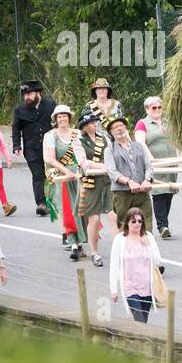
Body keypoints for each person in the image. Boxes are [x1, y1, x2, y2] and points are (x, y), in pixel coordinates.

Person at [43, 104, 87, 260]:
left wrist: (80, 171)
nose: (62, 119)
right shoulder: (50, 135)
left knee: (82, 209)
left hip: (79, 174)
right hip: (63, 175)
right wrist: (67, 172)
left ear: (69, 118)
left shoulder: (78, 133)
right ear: (56, 119)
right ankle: (74, 243)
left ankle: (80, 241)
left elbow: (84, 154)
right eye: (59, 116)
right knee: (68, 209)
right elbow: (51, 159)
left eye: (65, 116)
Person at [134, 95, 181, 239]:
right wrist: (150, 158)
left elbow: (177, 139)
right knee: (159, 192)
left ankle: (163, 223)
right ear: (147, 109)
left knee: (169, 191)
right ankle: (163, 226)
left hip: (171, 162)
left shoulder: (167, 122)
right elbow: (140, 143)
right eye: (154, 107)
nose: (157, 110)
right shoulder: (143, 124)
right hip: (155, 163)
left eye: (159, 107)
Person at [109, 207, 164, 324]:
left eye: (140, 221)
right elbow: (114, 265)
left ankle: (139, 341)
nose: (137, 224)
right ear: (127, 223)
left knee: (143, 321)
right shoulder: (120, 240)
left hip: (147, 287)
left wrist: (148, 245)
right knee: (139, 319)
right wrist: (113, 289)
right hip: (130, 287)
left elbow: (157, 261)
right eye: (133, 221)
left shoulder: (148, 237)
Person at [71, 109, 111, 267]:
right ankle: (95, 252)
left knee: (114, 215)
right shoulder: (78, 141)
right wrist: (102, 165)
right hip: (91, 180)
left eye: (96, 122)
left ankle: (119, 251)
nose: (95, 125)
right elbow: (83, 162)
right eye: (92, 123)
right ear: (85, 126)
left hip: (108, 179)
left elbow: (112, 154)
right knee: (94, 219)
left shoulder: (105, 138)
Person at [10, 80, 56, 216]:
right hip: (31, 148)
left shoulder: (50, 105)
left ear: (38, 93)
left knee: (50, 174)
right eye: (24, 95)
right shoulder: (20, 109)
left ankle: (53, 201)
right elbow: (16, 128)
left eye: (29, 94)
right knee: (38, 175)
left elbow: (58, 122)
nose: (26, 97)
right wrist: (16, 145)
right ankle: (41, 204)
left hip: (49, 147)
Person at [103, 116, 155, 233]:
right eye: (115, 127)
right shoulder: (110, 150)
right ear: (111, 132)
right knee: (124, 227)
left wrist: (147, 180)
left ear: (126, 128)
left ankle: (146, 249)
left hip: (142, 192)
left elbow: (148, 166)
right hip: (122, 194)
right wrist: (129, 181)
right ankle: (126, 250)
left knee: (146, 226)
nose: (119, 129)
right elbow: (112, 172)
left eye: (121, 125)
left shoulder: (138, 146)